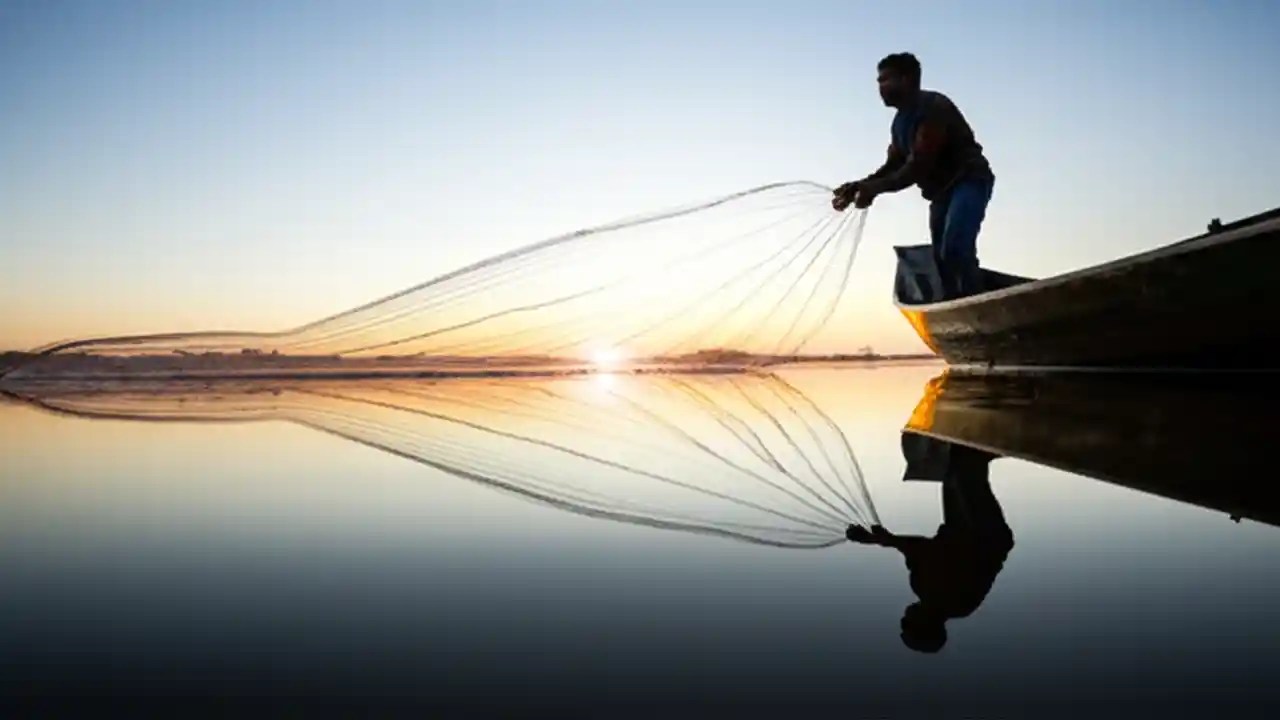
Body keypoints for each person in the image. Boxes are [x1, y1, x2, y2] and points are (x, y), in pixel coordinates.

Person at [833, 52, 995, 300]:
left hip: (968, 181)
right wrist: (859, 185)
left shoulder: (933, 108)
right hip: (941, 194)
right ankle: (957, 305)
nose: (879, 87)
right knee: (942, 258)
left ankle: (978, 305)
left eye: (885, 79)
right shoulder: (899, 123)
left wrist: (874, 189)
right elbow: (894, 164)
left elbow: (917, 166)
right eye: (878, 81)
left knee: (955, 247)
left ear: (906, 79)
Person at [847, 436, 1014, 653]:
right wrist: (885, 540)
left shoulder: (923, 588)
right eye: (907, 625)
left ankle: (989, 436)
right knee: (965, 472)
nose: (903, 619)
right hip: (985, 534)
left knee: (957, 469)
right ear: (925, 626)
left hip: (961, 529)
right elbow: (929, 552)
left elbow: (917, 551)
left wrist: (885, 540)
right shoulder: (954, 602)